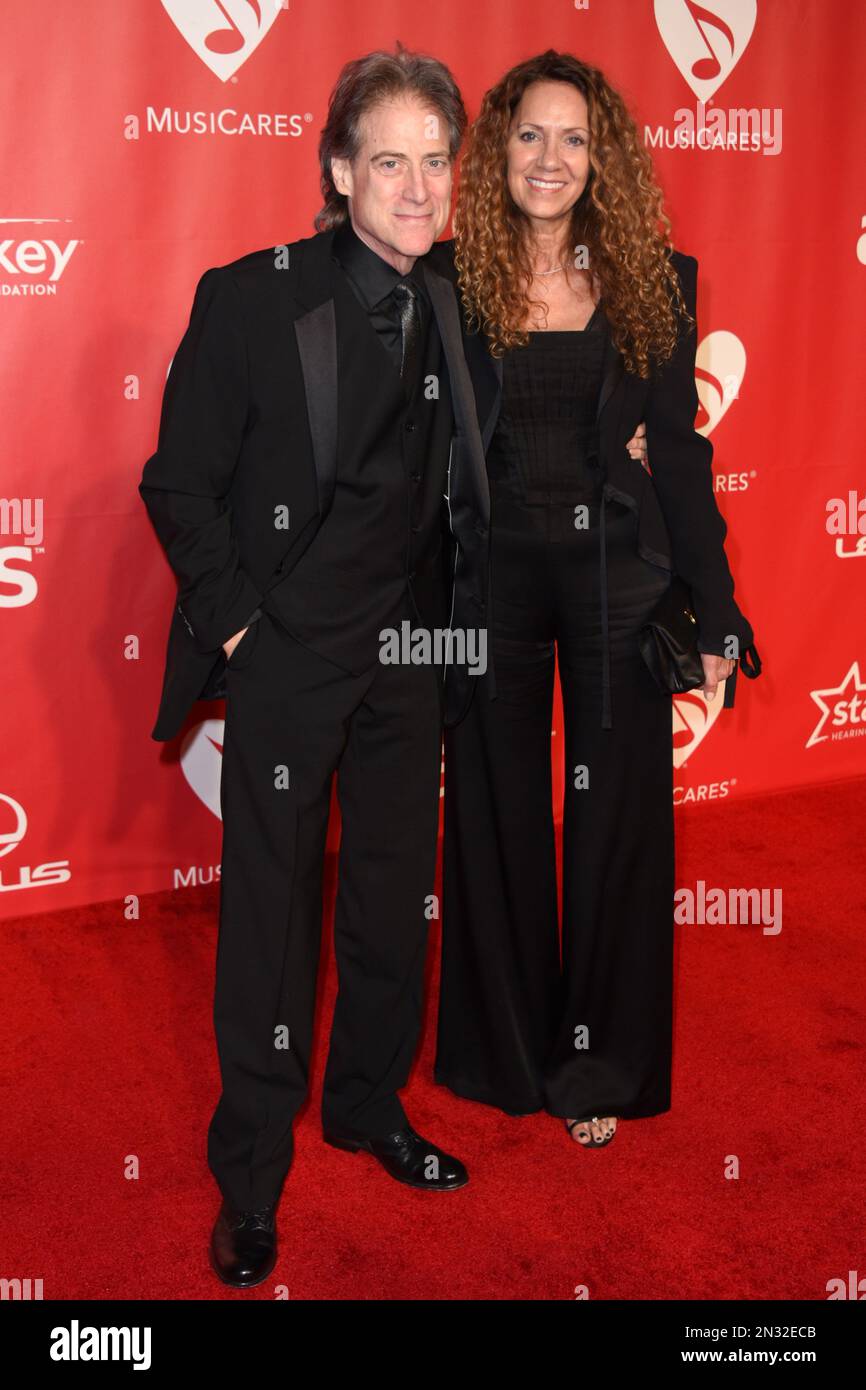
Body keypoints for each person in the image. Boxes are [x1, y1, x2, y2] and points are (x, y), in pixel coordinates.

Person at [139, 45, 493, 1288]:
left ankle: (366, 1107)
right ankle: (249, 1177)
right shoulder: (252, 298)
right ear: (340, 168)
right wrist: (243, 631)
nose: (414, 186)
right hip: (290, 651)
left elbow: (462, 487)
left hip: (409, 651)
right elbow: (176, 484)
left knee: (393, 903)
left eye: (435, 161)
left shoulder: (455, 297)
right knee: (270, 924)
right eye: (387, 160)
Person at [431, 50, 759, 1150]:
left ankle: (598, 1061)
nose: (550, 158)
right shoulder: (448, 280)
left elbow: (679, 457)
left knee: (616, 822)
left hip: (618, 576)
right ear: (499, 150)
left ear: (600, 157)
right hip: (491, 580)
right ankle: (506, 1052)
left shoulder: (651, 280)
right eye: (530, 133)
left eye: (574, 138)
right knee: (493, 808)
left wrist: (712, 610)